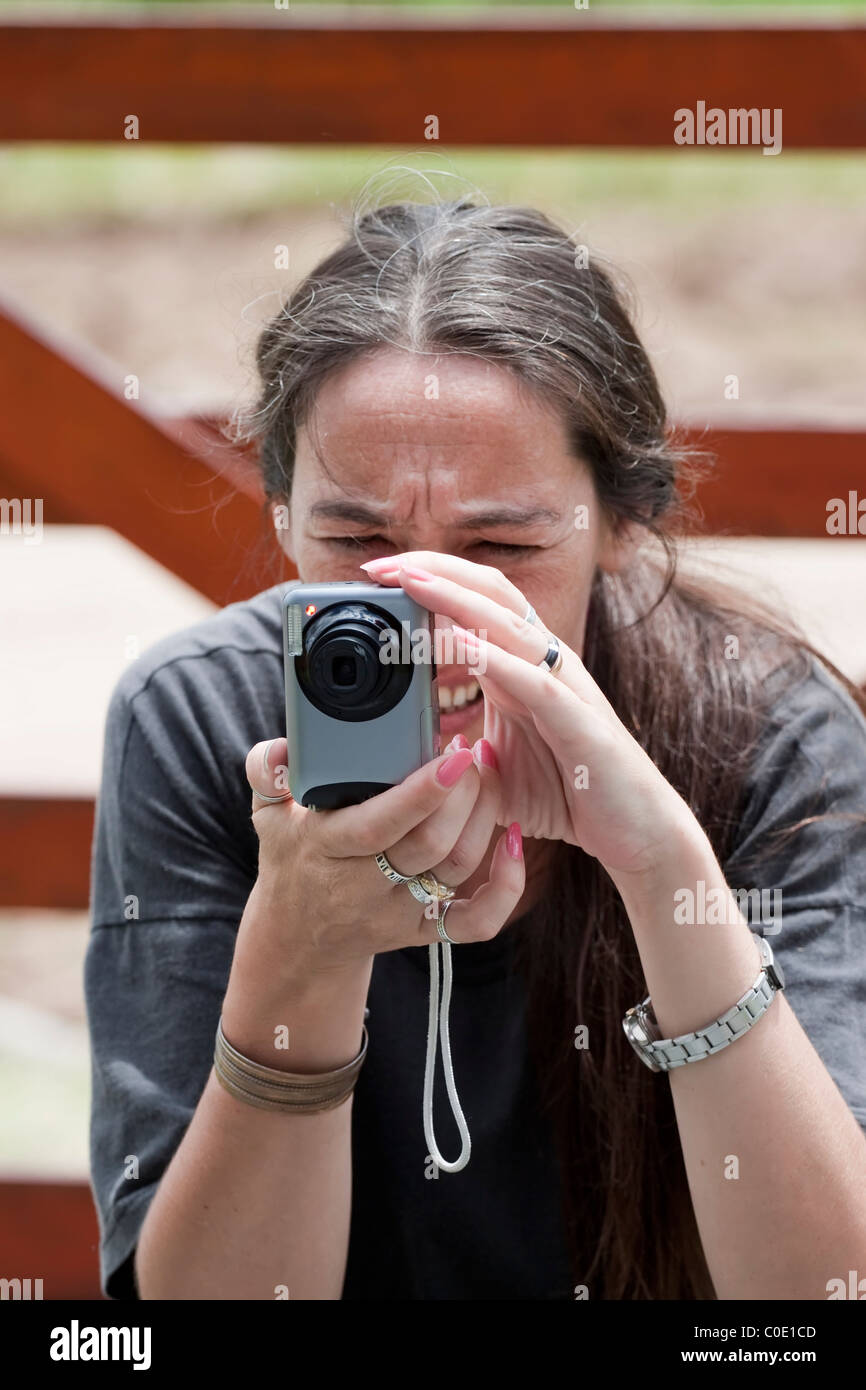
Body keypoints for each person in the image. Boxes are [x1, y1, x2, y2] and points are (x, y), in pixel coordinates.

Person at [84, 195, 866, 1301]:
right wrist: (301, 956)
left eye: (500, 544)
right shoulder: (199, 718)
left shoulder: (764, 730)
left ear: (620, 526)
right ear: (278, 513)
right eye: (356, 541)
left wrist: (663, 869)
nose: (422, 606)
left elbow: (818, 1296)